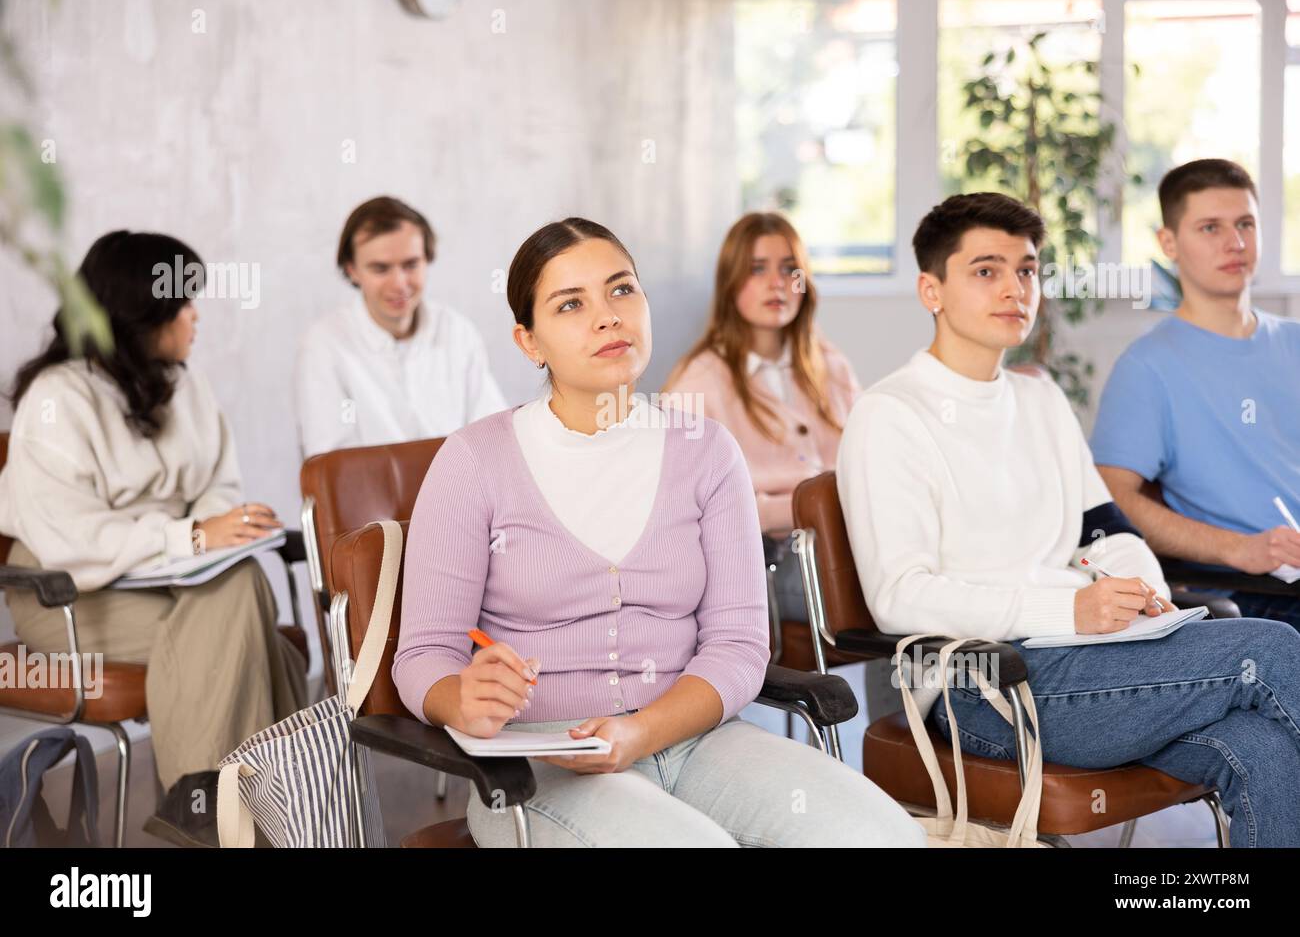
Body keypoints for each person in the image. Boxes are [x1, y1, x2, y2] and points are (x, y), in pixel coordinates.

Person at [392, 217, 924, 847]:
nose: (608, 317)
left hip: (694, 742)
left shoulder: (706, 450)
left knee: (882, 837)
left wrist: (642, 732)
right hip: (538, 765)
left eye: (622, 290)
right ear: (529, 341)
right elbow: (424, 655)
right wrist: (461, 698)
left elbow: (737, 645)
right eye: (571, 304)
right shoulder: (473, 461)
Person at [838, 192, 1300, 847]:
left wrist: (1148, 596)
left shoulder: (1038, 397)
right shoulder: (890, 415)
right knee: (1271, 647)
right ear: (930, 289)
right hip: (986, 688)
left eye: (1026, 270)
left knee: (1262, 749)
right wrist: (1069, 611)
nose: (1014, 288)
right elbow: (898, 599)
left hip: (1093, 660)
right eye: (986, 270)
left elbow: (1105, 530)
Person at [0, 230, 308, 847]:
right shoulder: (58, 397)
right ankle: (261, 813)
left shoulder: (185, 384)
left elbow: (218, 482)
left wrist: (228, 525)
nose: (196, 314)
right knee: (259, 634)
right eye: (183, 301)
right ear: (139, 313)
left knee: (238, 583)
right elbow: (70, 538)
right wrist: (191, 536)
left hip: (172, 584)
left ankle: (208, 804)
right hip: (68, 596)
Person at [1091, 159, 1300, 628]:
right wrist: (1241, 548)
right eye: (1211, 227)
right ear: (1169, 243)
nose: (1236, 243)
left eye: (1246, 224)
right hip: (1257, 591)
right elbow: (1111, 498)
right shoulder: (1148, 367)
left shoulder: (1295, 342)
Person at [664, 213, 859, 627]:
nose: (777, 283)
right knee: (886, 588)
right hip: (773, 563)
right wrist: (808, 508)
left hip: (852, 543)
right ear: (731, 282)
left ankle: (918, 692)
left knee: (915, 573)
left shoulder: (831, 365)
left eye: (790, 269)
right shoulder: (699, 383)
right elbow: (685, 513)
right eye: (757, 269)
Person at [294, 196, 506, 457]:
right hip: (368, 499)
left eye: (410, 264)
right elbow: (330, 466)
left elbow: (493, 438)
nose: (399, 283)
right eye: (380, 268)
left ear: (427, 259)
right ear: (352, 270)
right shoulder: (324, 344)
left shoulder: (457, 331)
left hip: (461, 497)